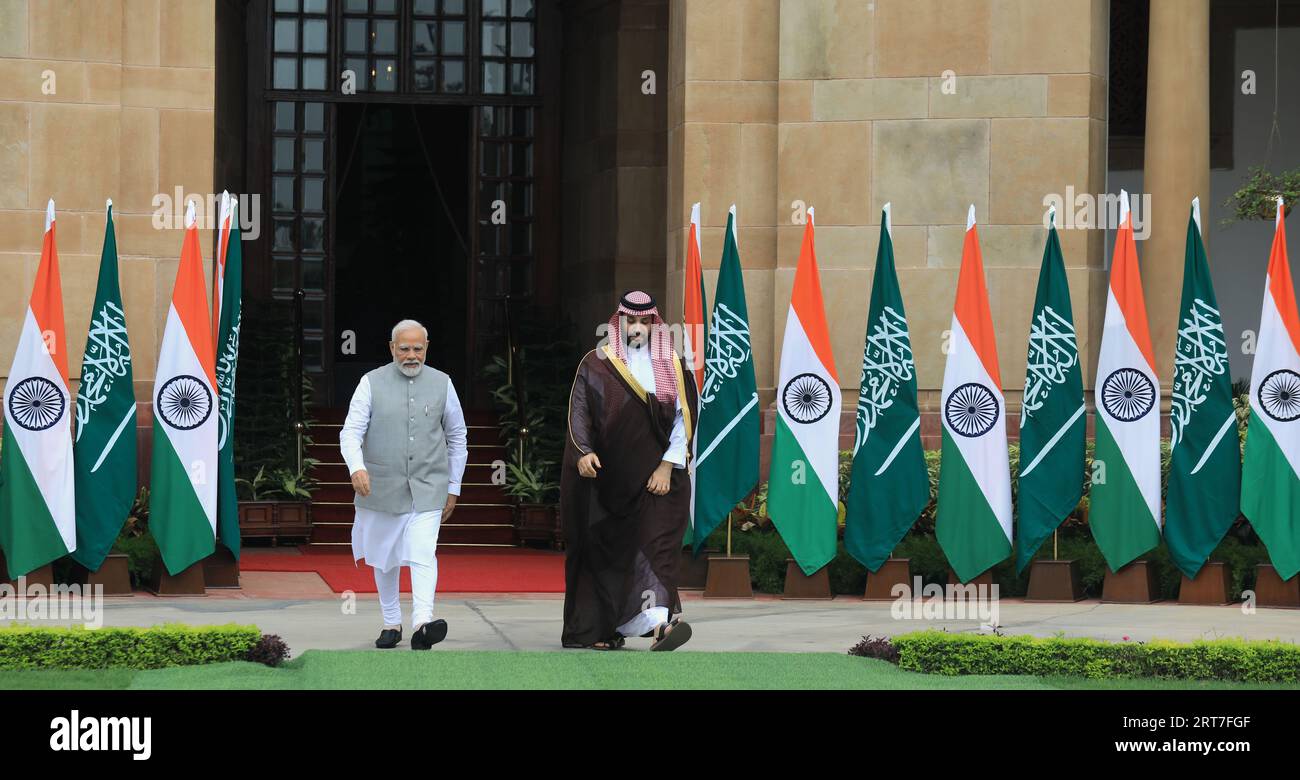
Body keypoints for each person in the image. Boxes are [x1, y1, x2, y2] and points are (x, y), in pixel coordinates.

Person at [560, 291, 697, 651]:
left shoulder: (671, 364)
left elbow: (685, 419)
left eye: (644, 322)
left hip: (660, 480)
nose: (637, 328)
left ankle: (662, 626)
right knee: (612, 554)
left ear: (654, 324)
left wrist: (667, 467)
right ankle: (609, 628)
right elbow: (579, 414)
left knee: (659, 548)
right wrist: (583, 453)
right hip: (611, 483)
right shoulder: (596, 363)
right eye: (630, 321)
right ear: (618, 322)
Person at [340, 319, 467, 650]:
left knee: (424, 552)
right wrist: (357, 467)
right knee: (385, 558)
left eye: (417, 349)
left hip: (429, 486)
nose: (411, 355)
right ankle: (391, 622)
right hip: (380, 486)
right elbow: (350, 431)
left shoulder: (443, 383)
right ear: (392, 348)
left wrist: (454, 485)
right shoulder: (371, 382)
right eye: (404, 348)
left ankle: (423, 623)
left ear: (426, 348)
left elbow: (457, 435)